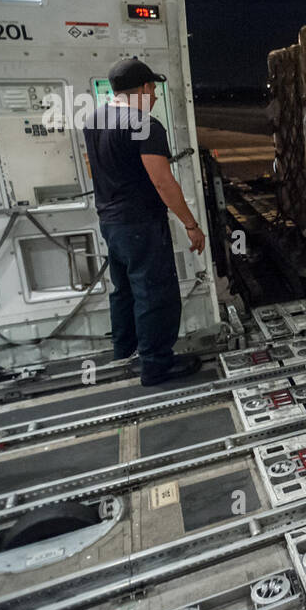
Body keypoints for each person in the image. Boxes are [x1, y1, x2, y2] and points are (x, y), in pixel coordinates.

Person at [81, 57, 205, 387]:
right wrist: (191, 224)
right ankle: (155, 366)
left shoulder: (93, 121)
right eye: (154, 90)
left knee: (124, 290)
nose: (155, 97)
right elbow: (163, 182)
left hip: (110, 221)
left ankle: (126, 351)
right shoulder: (144, 124)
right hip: (140, 223)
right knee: (155, 292)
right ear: (146, 87)